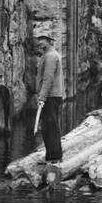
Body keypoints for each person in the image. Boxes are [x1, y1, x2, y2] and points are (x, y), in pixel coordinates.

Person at [36, 34, 65, 163]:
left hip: (51, 96)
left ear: (48, 41)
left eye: (41, 40)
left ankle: (54, 157)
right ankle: (52, 155)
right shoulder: (49, 55)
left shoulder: (50, 56)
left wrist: (42, 97)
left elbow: (48, 78)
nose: (39, 42)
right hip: (51, 96)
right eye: (38, 40)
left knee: (50, 127)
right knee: (48, 127)